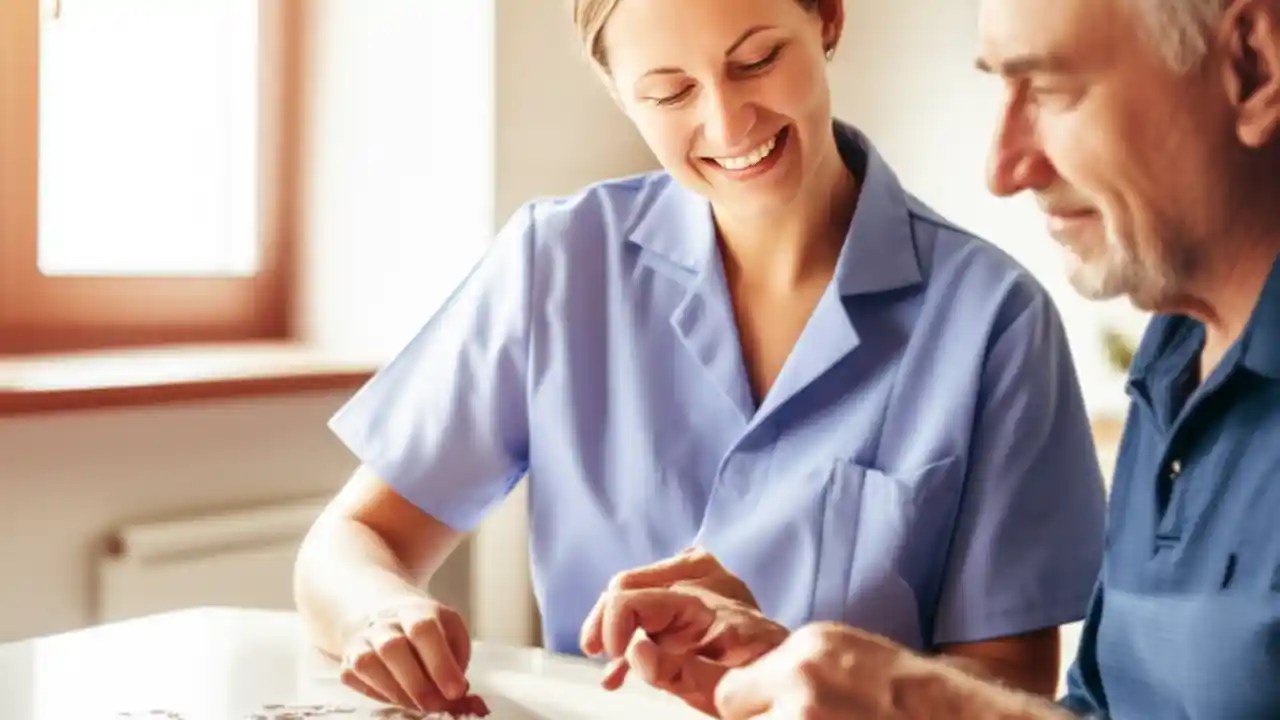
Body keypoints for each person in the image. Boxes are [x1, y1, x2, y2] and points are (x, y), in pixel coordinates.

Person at [292, 0, 1109, 715]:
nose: (729, 123)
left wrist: (800, 671)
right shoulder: (556, 263)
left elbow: (1010, 692)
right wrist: (379, 614)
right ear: (621, 94)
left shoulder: (995, 320)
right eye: (670, 92)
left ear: (826, 17)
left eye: (757, 61)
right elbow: (353, 541)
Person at [603, 0, 1280, 717]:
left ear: (1253, 67)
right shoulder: (1175, 360)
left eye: (1049, 89)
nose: (1005, 168)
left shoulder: (997, 315)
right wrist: (823, 678)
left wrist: (922, 701)